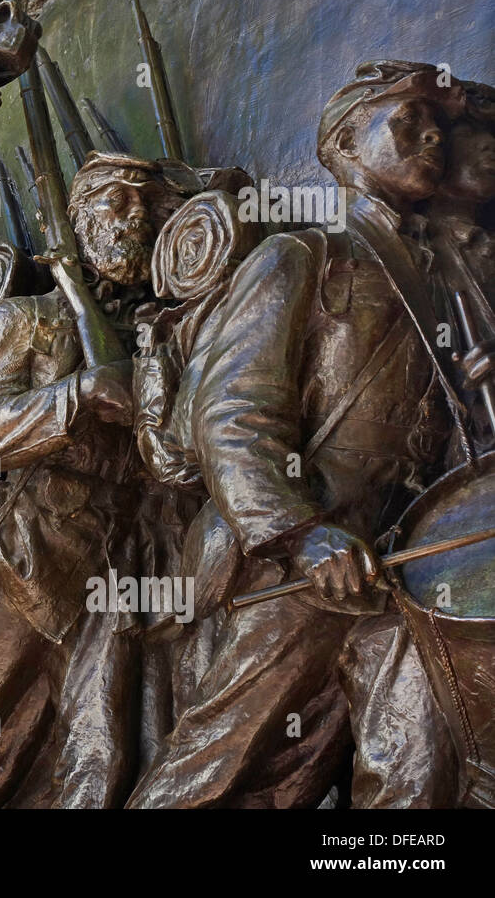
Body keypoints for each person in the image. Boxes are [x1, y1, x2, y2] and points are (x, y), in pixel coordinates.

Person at [128, 61, 467, 808]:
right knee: (217, 769)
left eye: (437, 122)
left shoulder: (440, 277)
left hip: (397, 561)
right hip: (293, 568)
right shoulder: (301, 256)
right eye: (407, 120)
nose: (431, 135)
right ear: (345, 144)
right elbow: (233, 412)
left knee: (393, 766)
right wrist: (301, 535)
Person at [0, 153, 194, 807]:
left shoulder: (159, 332)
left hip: (128, 570)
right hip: (27, 558)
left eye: (145, 207)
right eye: (114, 205)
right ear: (76, 224)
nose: (133, 221)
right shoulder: (24, 320)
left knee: (98, 757)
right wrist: (78, 396)